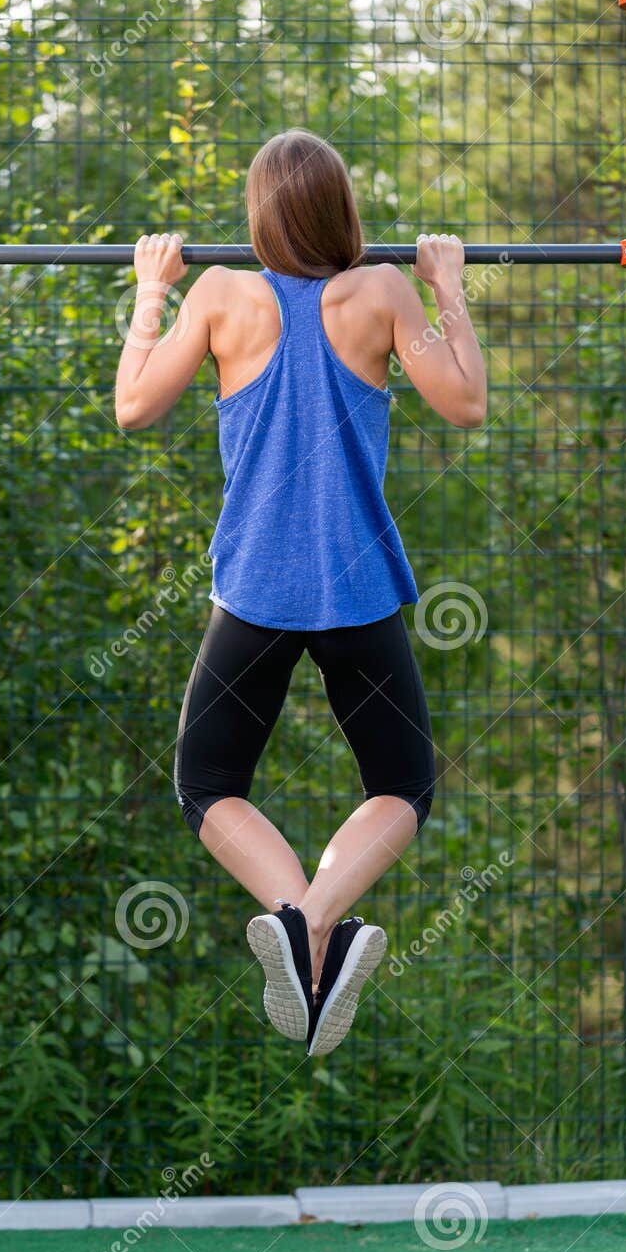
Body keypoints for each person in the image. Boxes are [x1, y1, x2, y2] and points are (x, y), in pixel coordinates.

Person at [115, 129, 487, 1056]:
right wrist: (447, 285)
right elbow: (468, 401)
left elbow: (132, 407)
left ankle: (299, 922)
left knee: (207, 786)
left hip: (253, 593)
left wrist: (151, 289)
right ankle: (317, 918)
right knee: (403, 784)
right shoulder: (382, 293)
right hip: (358, 588)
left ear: (259, 214)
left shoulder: (219, 294)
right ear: (342, 210)